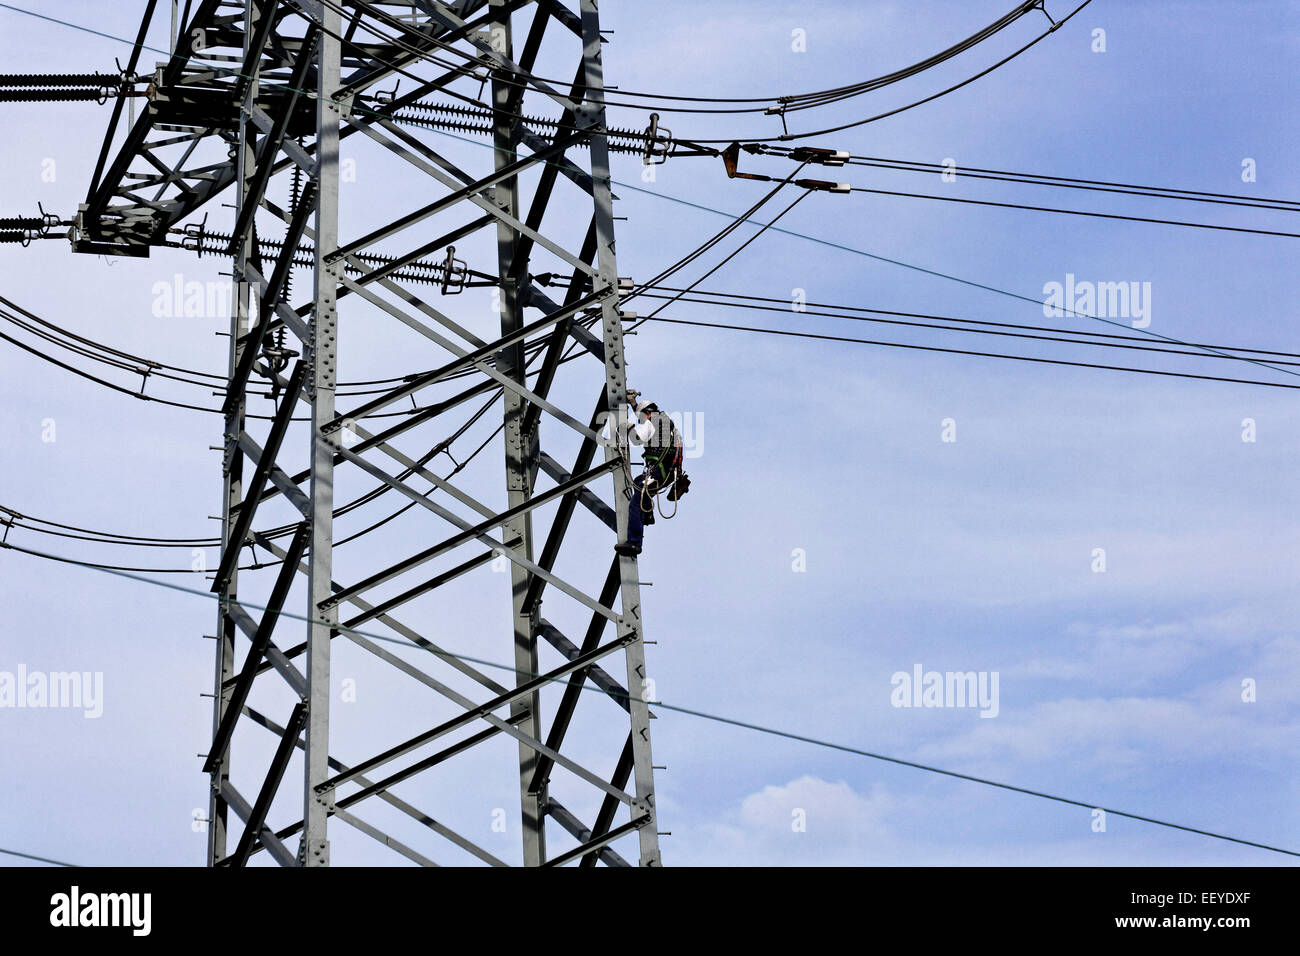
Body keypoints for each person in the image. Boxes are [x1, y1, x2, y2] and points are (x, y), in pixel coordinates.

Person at [616, 391, 684, 557]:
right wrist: (633, 403)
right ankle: (647, 513)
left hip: (657, 472)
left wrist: (629, 428)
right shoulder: (666, 422)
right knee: (639, 483)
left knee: (635, 502)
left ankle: (634, 543)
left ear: (647, 413)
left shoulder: (652, 421)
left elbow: (637, 439)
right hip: (667, 474)